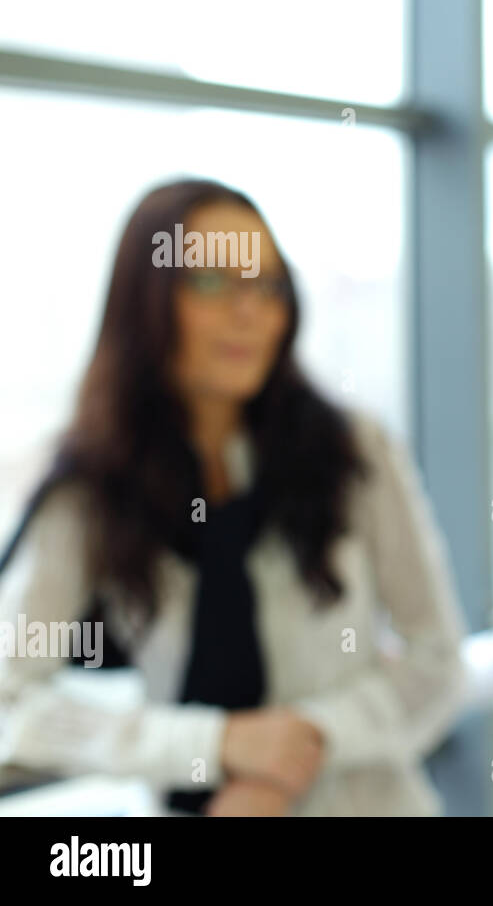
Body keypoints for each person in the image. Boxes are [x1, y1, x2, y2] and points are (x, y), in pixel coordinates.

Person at [0, 179, 467, 815]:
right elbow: (9, 697)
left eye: (267, 285)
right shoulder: (90, 484)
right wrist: (217, 744)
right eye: (214, 283)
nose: (249, 310)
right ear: (149, 300)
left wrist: (293, 754)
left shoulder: (354, 450)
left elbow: (437, 662)